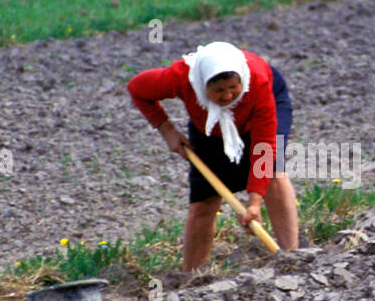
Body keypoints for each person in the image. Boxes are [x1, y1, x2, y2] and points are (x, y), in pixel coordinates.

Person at [127, 41, 299, 270]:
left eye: (232, 87)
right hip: (207, 122)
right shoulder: (181, 77)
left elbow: (264, 147)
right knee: (203, 200)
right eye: (218, 90)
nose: (227, 96)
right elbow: (137, 88)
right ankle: (192, 277)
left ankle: (293, 260)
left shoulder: (257, 81)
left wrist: (254, 203)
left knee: (274, 174)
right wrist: (166, 130)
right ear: (201, 85)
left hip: (265, 105)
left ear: (241, 80)